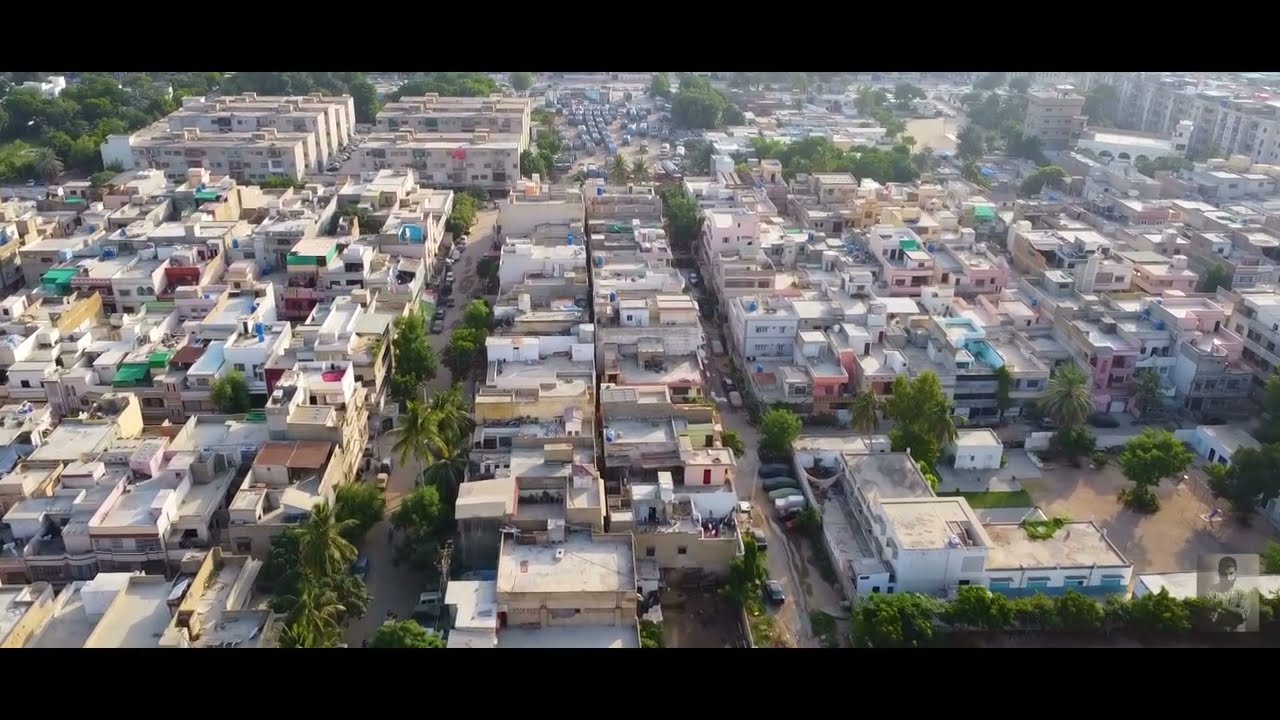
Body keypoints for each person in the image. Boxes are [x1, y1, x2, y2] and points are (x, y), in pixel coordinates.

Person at [1205, 556, 1253, 632]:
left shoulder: (1243, 592)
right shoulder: (1211, 590)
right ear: (1219, 573)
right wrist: (1233, 612)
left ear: (1236, 572)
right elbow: (1210, 616)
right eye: (1224, 574)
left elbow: (1243, 615)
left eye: (1231, 574)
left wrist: (1220, 606)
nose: (1228, 578)